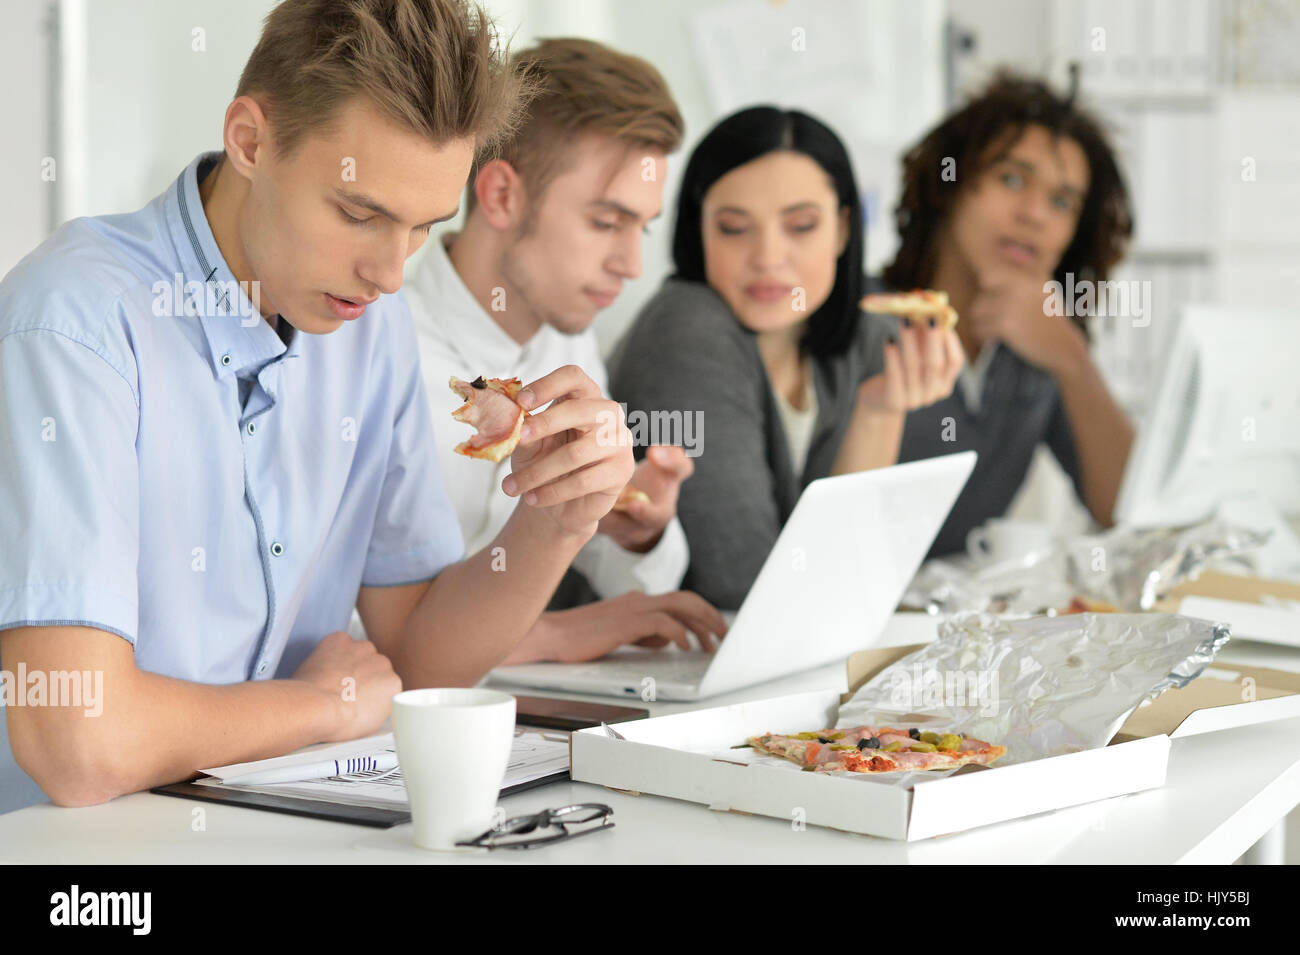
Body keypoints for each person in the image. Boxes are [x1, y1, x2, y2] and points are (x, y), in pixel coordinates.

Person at [0, 0, 636, 811]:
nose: (391, 272)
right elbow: (76, 743)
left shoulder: (367, 325)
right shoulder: (78, 318)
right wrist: (320, 705)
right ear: (251, 141)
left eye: (421, 229)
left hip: (270, 824)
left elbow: (420, 654)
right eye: (360, 214)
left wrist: (558, 517)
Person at [403, 38, 725, 664]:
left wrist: (634, 528)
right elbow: (365, 634)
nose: (632, 265)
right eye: (606, 223)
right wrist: (556, 635)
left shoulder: (567, 336)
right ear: (500, 196)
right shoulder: (374, 347)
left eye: (642, 228)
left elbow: (639, 588)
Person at [609, 107, 964, 611]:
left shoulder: (863, 337)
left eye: (800, 226)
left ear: (843, 229)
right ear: (699, 230)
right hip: (645, 666)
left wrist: (879, 411)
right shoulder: (687, 327)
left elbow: (842, 568)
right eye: (734, 228)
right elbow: (743, 585)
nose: (769, 256)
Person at [886, 71, 1136, 556]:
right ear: (949, 184)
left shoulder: (1040, 351)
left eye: (1062, 202)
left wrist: (1072, 359)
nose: (1035, 215)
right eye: (1012, 178)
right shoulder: (860, 324)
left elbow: (1127, 514)